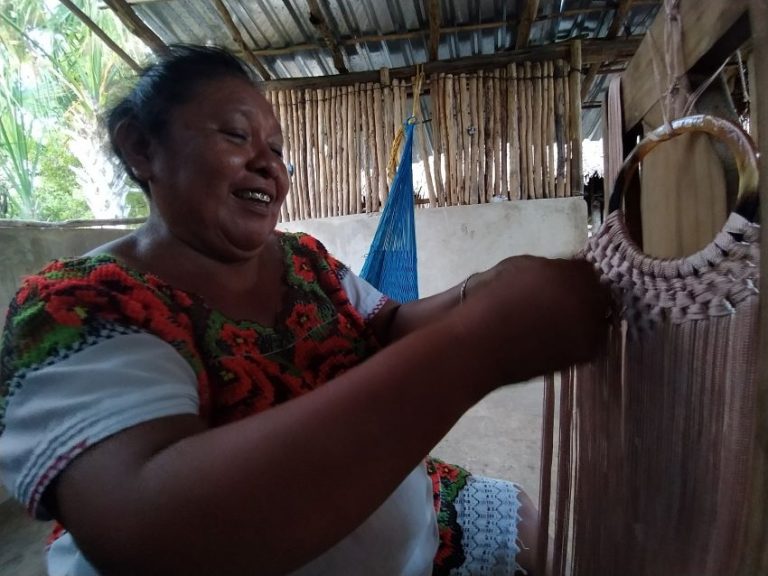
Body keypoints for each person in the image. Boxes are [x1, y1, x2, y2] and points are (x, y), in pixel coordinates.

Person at [0, 45, 607, 576]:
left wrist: (483, 287)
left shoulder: (303, 262)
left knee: (529, 523)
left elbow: (388, 325)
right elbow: (150, 528)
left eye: (277, 148)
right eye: (236, 137)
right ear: (141, 148)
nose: (269, 164)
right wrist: (476, 348)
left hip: (411, 527)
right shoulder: (79, 307)